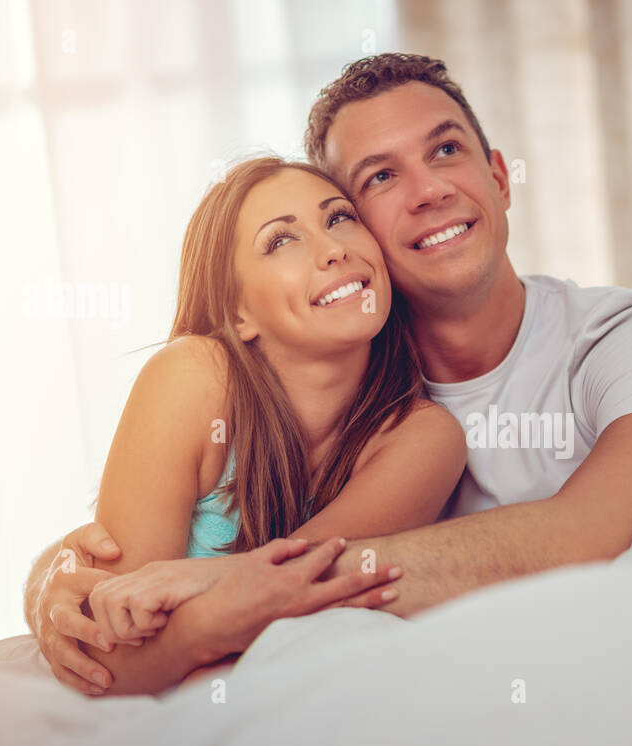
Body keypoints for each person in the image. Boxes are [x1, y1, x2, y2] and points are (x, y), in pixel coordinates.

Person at [25, 53, 632, 695]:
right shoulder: (267, 376)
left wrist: (214, 586)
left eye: (447, 150)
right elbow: (123, 594)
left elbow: (586, 539)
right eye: (382, 177)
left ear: (498, 176)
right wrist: (51, 580)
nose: (428, 191)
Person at [37, 155, 465, 695]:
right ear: (239, 314)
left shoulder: (426, 438)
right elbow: (111, 660)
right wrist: (48, 582)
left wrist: (191, 598)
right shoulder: (192, 377)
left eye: (338, 218)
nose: (334, 249)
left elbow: (290, 586)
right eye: (281, 242)